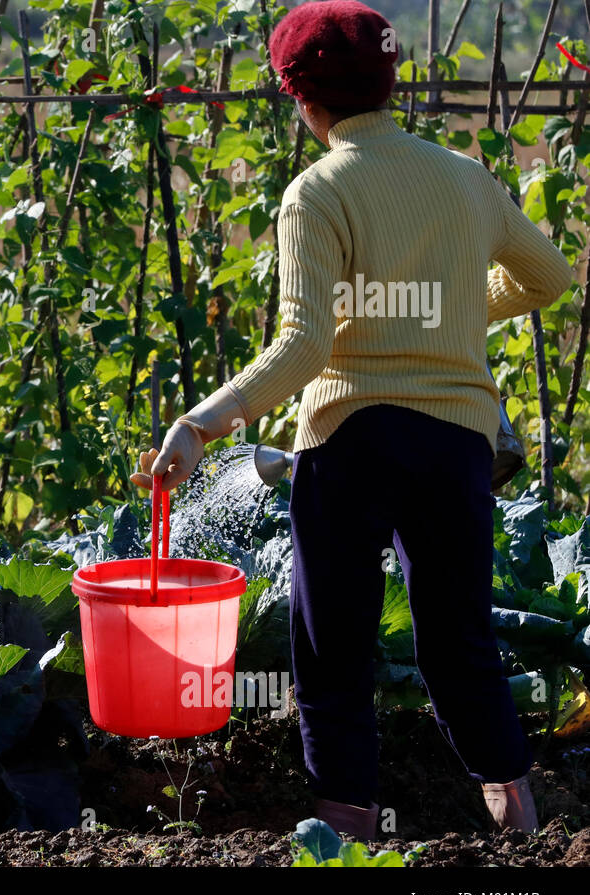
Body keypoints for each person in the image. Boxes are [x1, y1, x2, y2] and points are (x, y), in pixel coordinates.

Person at [131, 0, 574, 841]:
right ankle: (523, 828)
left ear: (304, 99)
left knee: (333, 647)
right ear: (389, 80)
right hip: (456, 444)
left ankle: (348, 837)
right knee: (458, 641)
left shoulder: (318, 191)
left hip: (350, 440)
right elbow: (549, 277)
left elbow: (305, 347)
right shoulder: (463, 177)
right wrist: (448, 320)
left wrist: (202, 421)